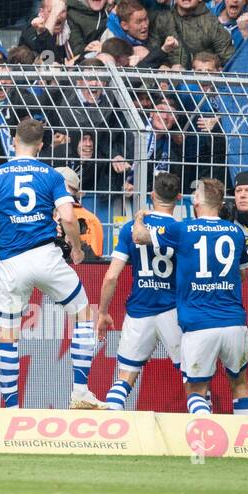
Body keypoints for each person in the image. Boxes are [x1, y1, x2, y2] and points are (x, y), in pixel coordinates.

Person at [0, 118, 106, 410]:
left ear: (14, 141)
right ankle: (80, 391)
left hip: (11, 262)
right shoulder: (51, 175)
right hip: (46, 256)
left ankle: (11, 408)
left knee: (8, 334)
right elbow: (68, 218)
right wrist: (78, 250)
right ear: (42, 145)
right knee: (83, 314)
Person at [132, 176, 248, 415]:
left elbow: (139, 236)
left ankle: (203, 444)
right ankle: (243, 445)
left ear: (197, 201)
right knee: (240, 385)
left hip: (198, 323)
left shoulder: (183, 229)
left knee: (196, 389)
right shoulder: (236, 232)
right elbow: (243, 274)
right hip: (234, 322)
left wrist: (139, 218)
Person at [96, 172, 184, 412]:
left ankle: (112, 437)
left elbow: (112, 276)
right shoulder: (182, 231)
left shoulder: (130, 229)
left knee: (125, 377)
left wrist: (103, 311)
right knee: (193, 379)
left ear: (152, 195)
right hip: (174, 310)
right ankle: (204, 437)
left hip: (140, 310)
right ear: (179, 197)